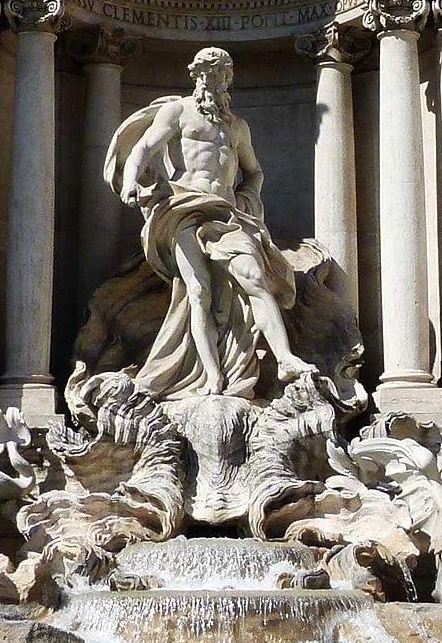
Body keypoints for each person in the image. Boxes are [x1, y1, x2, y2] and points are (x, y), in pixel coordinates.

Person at [105, 47, 315, 400]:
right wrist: (130, 181)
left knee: (256, 279)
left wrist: (249, 199)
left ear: (228, 79)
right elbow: (143, 149)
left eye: (218, 73)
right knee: (198, 292)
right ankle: (212, 378)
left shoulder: (237, 126)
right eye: (205, 72)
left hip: (228, 214)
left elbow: (254, 171)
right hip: (184, 207)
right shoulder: (178, 112)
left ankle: (285, 359)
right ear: (195, 76)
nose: (211, 79)